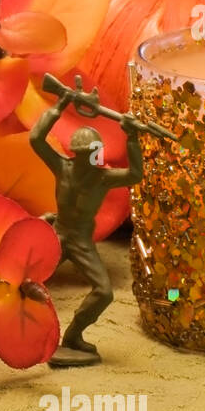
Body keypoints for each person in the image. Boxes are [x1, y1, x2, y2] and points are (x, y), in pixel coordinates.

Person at [30, 90, 145, 365]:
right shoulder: (63, 167)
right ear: (77, 153)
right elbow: (36, 138)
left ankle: (72, 337)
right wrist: (59, 104)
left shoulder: (102, 178)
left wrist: (131, 137)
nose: (91, 159)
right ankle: (6, 329)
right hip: (58, 235)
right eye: (86, 154)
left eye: (95, 153)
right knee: (22, 282)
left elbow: (135, 174)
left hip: (81, 241)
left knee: (103, 292)